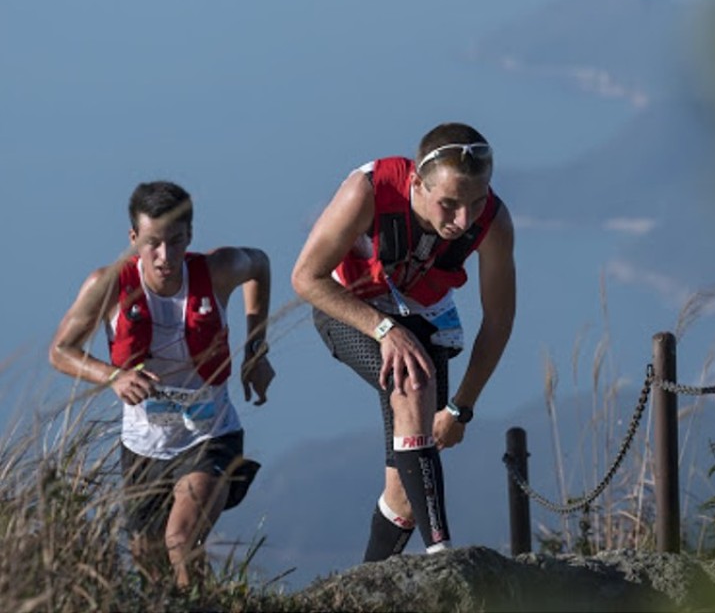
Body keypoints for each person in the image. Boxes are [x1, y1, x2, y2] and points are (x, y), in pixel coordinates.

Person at [291, 121, 516, 561]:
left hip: (424, 314)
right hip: (350, 304)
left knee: (406, 494)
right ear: (416, 182)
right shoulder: (370, 190)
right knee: (414, 383)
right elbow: (306, 278)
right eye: (449, 204)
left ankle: (368, 582)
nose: (462, 220)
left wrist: (461, 408)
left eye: (475, 201)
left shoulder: (494, 221)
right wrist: (383, 329)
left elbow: (499, 317)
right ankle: (443, 554)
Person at [49, 180, 273, 588]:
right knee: (152, 574)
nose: (165, 256)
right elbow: (61, 351)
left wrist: (256, 350)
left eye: (176, 241)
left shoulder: (216, 271)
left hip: (211, 436)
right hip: (142, 447)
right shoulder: (107, 285)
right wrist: (113, 376)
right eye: (153, 242)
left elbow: (259, 264)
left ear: (190, 236)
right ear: (134, 238)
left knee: (181, 540)